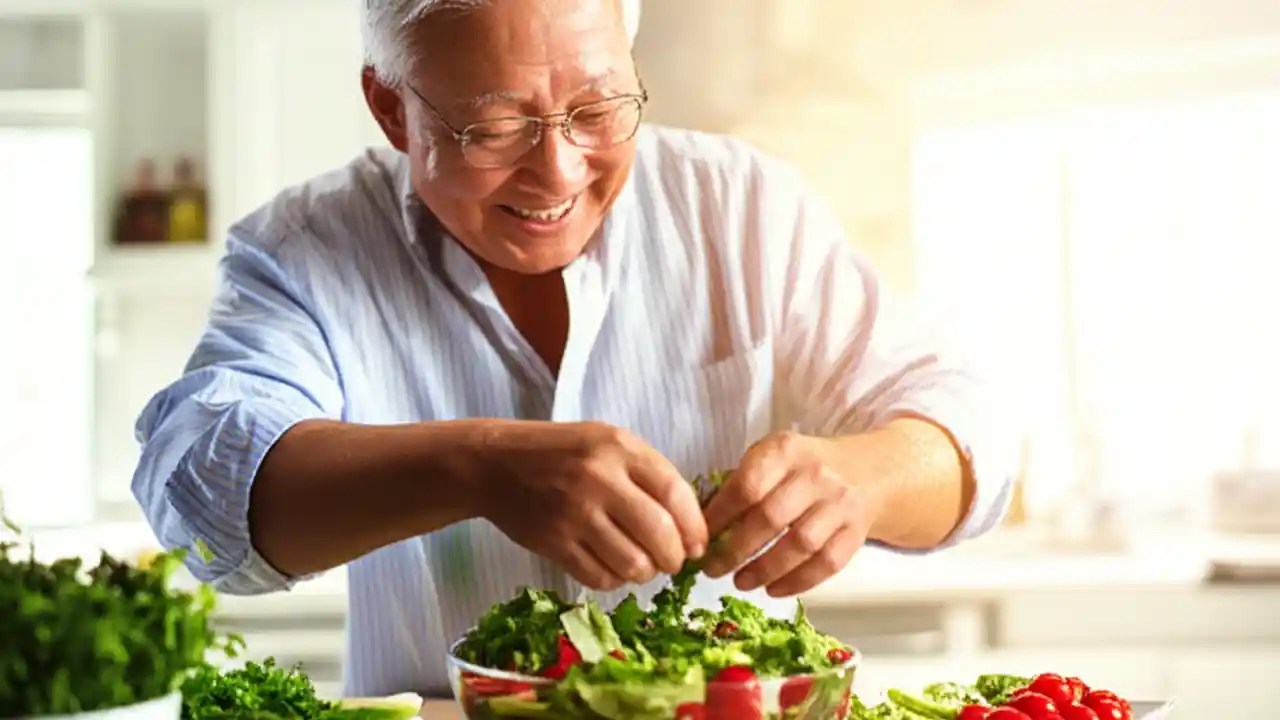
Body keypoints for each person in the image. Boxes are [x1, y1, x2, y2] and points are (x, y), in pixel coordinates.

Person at [131, 0, 1015, 698]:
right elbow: (199, 505)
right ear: (392, 108)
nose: (558, 172)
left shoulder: (742, 207)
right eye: (494, 126)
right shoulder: (304, 249)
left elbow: (970, 431)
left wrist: (861, 480)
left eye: (597, 108)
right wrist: (477, 467)